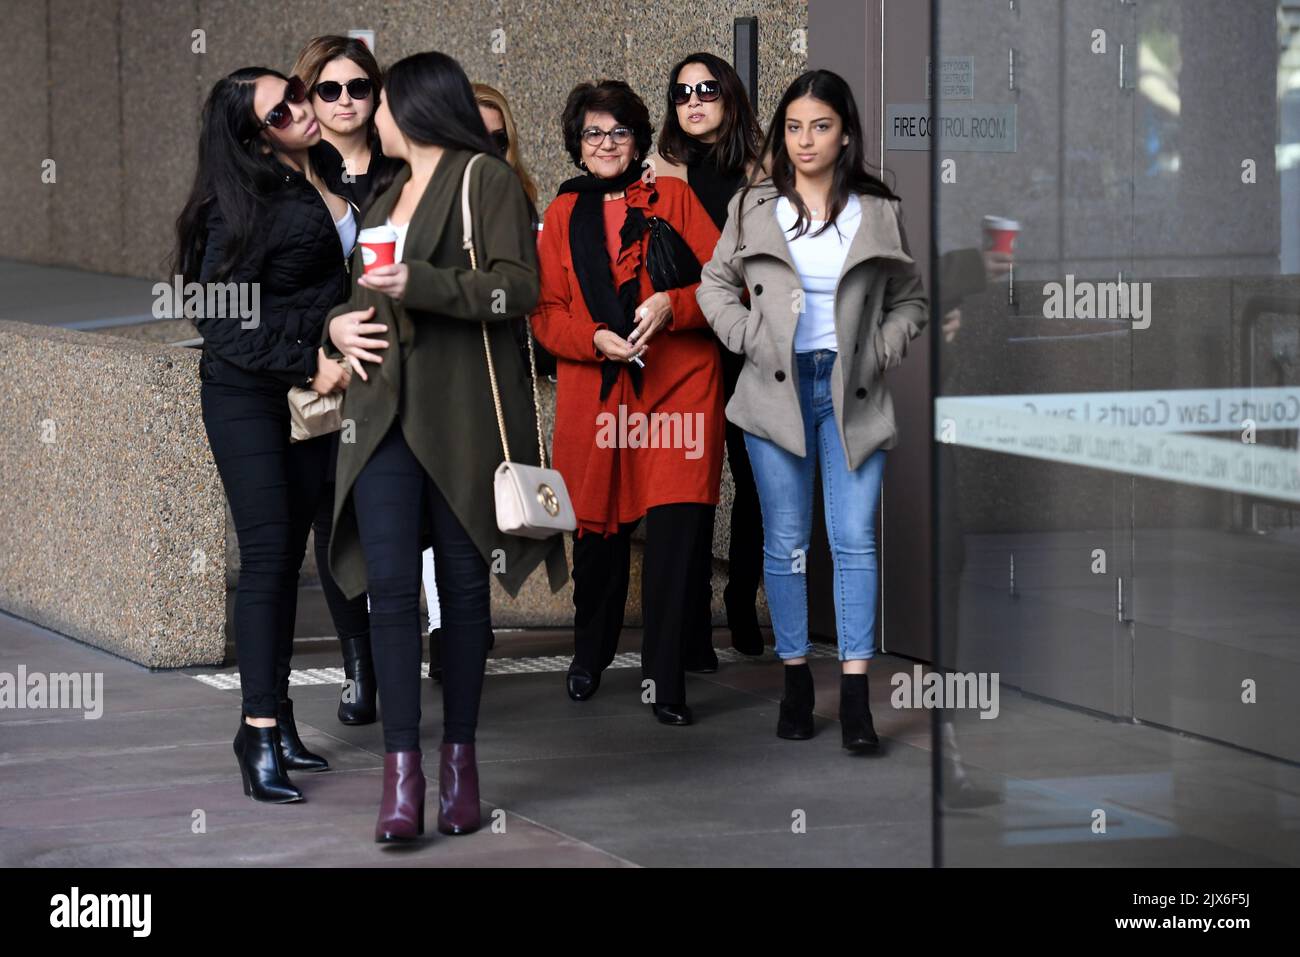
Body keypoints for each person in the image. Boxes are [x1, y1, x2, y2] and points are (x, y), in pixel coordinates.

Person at [323, 51, 567, 843]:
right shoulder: (388, 191)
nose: (373, 116)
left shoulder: (483, 178)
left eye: (383, 101)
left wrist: (418, 285)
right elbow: (366, 294)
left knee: (464, 596)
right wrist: (338, 328)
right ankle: (403, 776)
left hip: (461, 423)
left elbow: (517, 289)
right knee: (392, 596)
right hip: (382, 418)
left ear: (418, 107)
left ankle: (459, 763)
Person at [697, 69, 928, 752]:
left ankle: (855, 694)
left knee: (853, 539)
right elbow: (714, 285)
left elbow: (911, 299)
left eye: (820, 126)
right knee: (787, 542)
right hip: (776, 391)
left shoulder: (877, 210)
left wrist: (881, 348)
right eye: (793, 126)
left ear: (846, 133)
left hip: (851, 394)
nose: (804, 140)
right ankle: (796, 677)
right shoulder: (754, 206)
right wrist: (747, 337)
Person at [173, 67, 359, 801]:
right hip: (248, 393)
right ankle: (255, 730)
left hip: (312, 394)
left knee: (288, 561)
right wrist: (312, 355)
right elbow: (220, 318)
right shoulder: (231, 201)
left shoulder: (332, 168)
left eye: (299, 94)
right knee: (268, 554)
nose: (304, 110)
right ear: (254, 133)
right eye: (280, 110)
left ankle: (279, 716)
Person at [532, 80, 723, 725]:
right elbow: (546, 316)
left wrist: (675, 305)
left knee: (673, 537)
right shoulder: (560, 218)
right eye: (593, 133)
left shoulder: (673, 197)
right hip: (597, 395)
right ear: (577, 145)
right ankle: (590, 654)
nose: (606, 143)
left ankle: (665, 679)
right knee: (599, 538)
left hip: (678, 391)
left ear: (638, 139)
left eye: (618, 132)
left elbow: (733, 288)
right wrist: (593, 339)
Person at [290, 34, 401, 726]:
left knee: (392, 517)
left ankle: (414, 651)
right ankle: (359, 664)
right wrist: (314, 353)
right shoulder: (296, 174)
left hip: (396, 368)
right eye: (328, 90)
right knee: (333, 521)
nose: (345, 102)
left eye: (358, 87)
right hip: (329, 376)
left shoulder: (401, 166)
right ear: (309, 97)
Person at [643, 52, 767, 666]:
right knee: (688, 486)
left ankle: (741, 600)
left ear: (730, 97)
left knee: (753, 479)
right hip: (686, 343)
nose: (692, 101)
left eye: (706, 89)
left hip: (748, 340)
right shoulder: (657, 172)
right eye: (681, 92)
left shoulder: (764, 169)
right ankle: (692, 622)